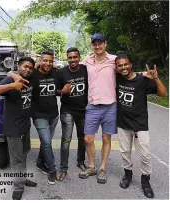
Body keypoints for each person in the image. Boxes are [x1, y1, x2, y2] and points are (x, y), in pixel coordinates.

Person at [115, 55, 167, 198]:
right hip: (123, 124)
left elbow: (163, 94)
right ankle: (128, 175)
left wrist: (156, 78)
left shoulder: (142, 80)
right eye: (120, 65)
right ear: (116, 68)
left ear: (130, 64)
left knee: (145, 155)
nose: (123, 67)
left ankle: (145, 181)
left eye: (126, 64)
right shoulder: (116, 78)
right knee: (125, 153)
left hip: (140, 124)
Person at [8, 51, 59, 185]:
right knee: (47, 142)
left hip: (54, 114)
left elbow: (57, 89)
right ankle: (52, 169)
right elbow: (12, 74)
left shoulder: (55, 72)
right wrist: (12, 75)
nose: (48, 63)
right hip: (38, 115)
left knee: (44, 142)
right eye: (45, 60)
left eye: (50, 61)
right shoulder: (32, 74)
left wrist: (62, 91)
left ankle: (40, 163)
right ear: (40, 62)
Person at [0, 57, 37, 200]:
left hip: (25, 124)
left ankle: (22, 179)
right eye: (25, 67)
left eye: (30, 67)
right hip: (13, 126)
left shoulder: (29, 77)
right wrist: (12, 85)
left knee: (24, 153)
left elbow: (43, 65)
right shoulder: (9, 81)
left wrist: (12, 73)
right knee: (16, 158)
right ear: (19, 66)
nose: (28, 69)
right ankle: (18, 187)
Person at [79, 33, 117, 184]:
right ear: (92, 45)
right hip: (93, 106)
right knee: (88, 139)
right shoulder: (87, 60)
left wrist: (145, 75)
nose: (97, 46)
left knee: (106, 138)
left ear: (105, 44)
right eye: (95, 44)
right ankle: (92, 166)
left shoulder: (114, 60)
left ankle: (102, 168)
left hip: (110, 106)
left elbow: (127, 71)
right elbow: (73, 68)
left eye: (100, 43)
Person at [56, 47, 88, 181]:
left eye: (75, 57)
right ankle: (63, 168)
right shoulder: (61, 72)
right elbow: (55, 91)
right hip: (67, 110)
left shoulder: (86, 70)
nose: (73, 60)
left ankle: (80, 162)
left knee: (83, 138)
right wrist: (62, 91)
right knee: (66, 140)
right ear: (67, 58)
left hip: (84, 110)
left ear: (79, 58)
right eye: (70, 57)